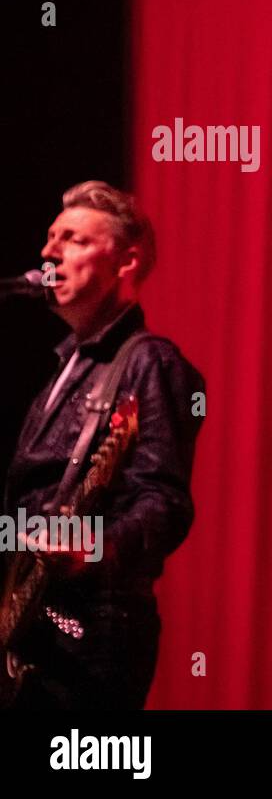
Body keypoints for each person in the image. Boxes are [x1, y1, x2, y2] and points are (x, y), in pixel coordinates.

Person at [2, 180, 204, 709]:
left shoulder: (149, 363)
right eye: (49, 238)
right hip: (30, 630)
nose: (49, 252)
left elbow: (165, 505)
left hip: (93, 631)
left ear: (126, 260)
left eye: (72, 239)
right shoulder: (62, 372)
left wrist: (93, 549)